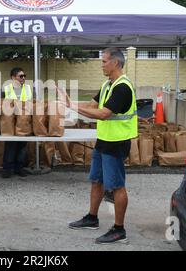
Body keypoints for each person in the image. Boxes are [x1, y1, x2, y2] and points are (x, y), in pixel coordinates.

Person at [63, 47, 138, 244]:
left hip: (117, 142)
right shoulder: (108, 84)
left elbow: (104, 113)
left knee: (116, 186)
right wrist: (69, 105)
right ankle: (92, 218)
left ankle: (119, 230)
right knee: (96, 180)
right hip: (104, 140)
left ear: (115, 63)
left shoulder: (123, 87)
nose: (101, 65)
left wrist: (74, 107)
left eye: (104, 61)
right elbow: (92, 105)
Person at [1, 67, 33, 178]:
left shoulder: (28, 88)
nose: (23, 78)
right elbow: (3, 104)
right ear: (13, 77)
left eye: (24, 76)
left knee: (22, 145)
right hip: (10, 120)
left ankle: (19, 168)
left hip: (23, 120)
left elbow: (31, 103)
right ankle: (7, 169)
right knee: (10, 144)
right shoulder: (6, 88)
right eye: (20, 76)